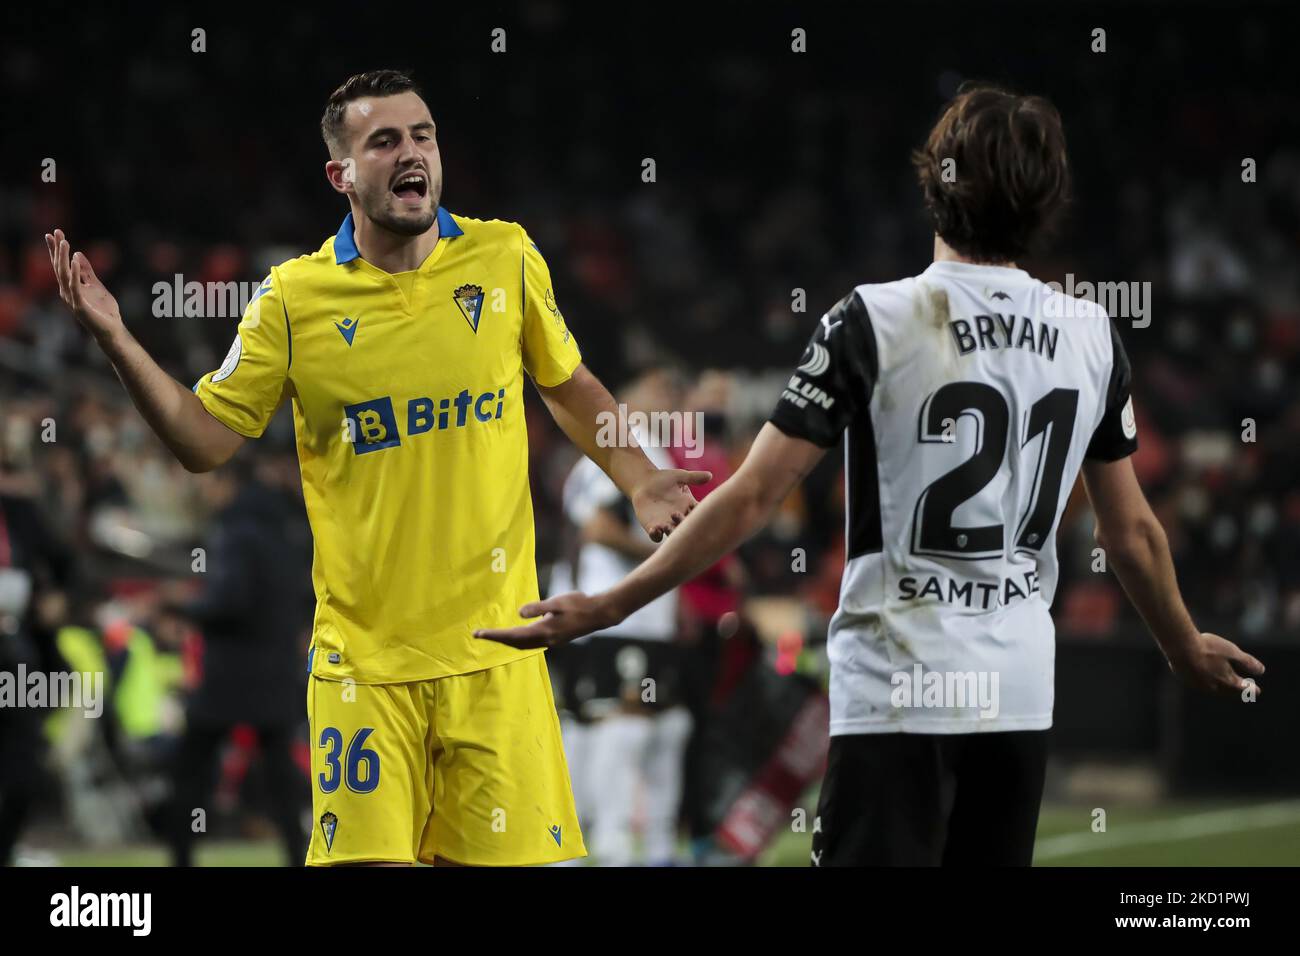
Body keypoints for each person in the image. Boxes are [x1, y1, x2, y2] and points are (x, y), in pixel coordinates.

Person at [475, 85, 1267, 866]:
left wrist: (611, 603)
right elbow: (1131, 531)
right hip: (1016, 693)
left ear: (935, 184)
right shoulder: (1092, 332)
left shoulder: (872, 319)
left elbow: (751, 497)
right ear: (1046, 201)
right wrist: (1183, 644)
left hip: (897, 690)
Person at [44, 69, 708, 867]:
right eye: (383, 140)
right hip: (364, 672)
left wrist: (636, 475)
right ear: (342, 174)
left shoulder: (505, 257)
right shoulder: (294, 300)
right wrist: (119, 341)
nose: (410, 152)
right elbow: (205, 441)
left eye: (422, 134)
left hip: (498, 657)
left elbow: (567, 385)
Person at [159, 450, 312, 866]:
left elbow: (231, 601)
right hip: (276, 669)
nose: (204, 491)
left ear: (225, 482)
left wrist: (181, 606)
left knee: (192, 772)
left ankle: (181, 856)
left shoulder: (236, 530)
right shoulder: (287, 523)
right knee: (281, 777)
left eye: (207, 481)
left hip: (231, 675)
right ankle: (300, 857)